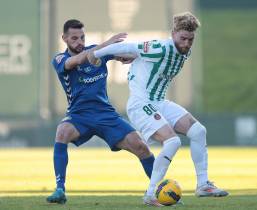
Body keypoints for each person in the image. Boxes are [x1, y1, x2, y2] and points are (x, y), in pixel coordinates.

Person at [89, 12, 228, 206]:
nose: (187, 43)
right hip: (140, 103)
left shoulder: (185, 50)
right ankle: (150, 194)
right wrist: (94, 54)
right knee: (172, 142)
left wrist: (133, 58)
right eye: (183, 38)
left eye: (190, 39)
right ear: (173, 33)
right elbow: (126, 47)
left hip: (159, 102)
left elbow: (137, 57)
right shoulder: (161, 47)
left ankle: (203, 185)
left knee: (198, 131)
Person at [46, 19, 155, 204]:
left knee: (141, 146)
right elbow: (80, 60)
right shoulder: (59, 59)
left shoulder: (99, 51)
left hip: (106, 114)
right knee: (62, 131)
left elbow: (123, 54)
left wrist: (134, 56)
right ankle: (59, 190)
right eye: (74, 38)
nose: (79, 41)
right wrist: (108, 43)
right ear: (64, 38)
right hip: (79, 115)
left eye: (82, 37)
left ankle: (159, 189)